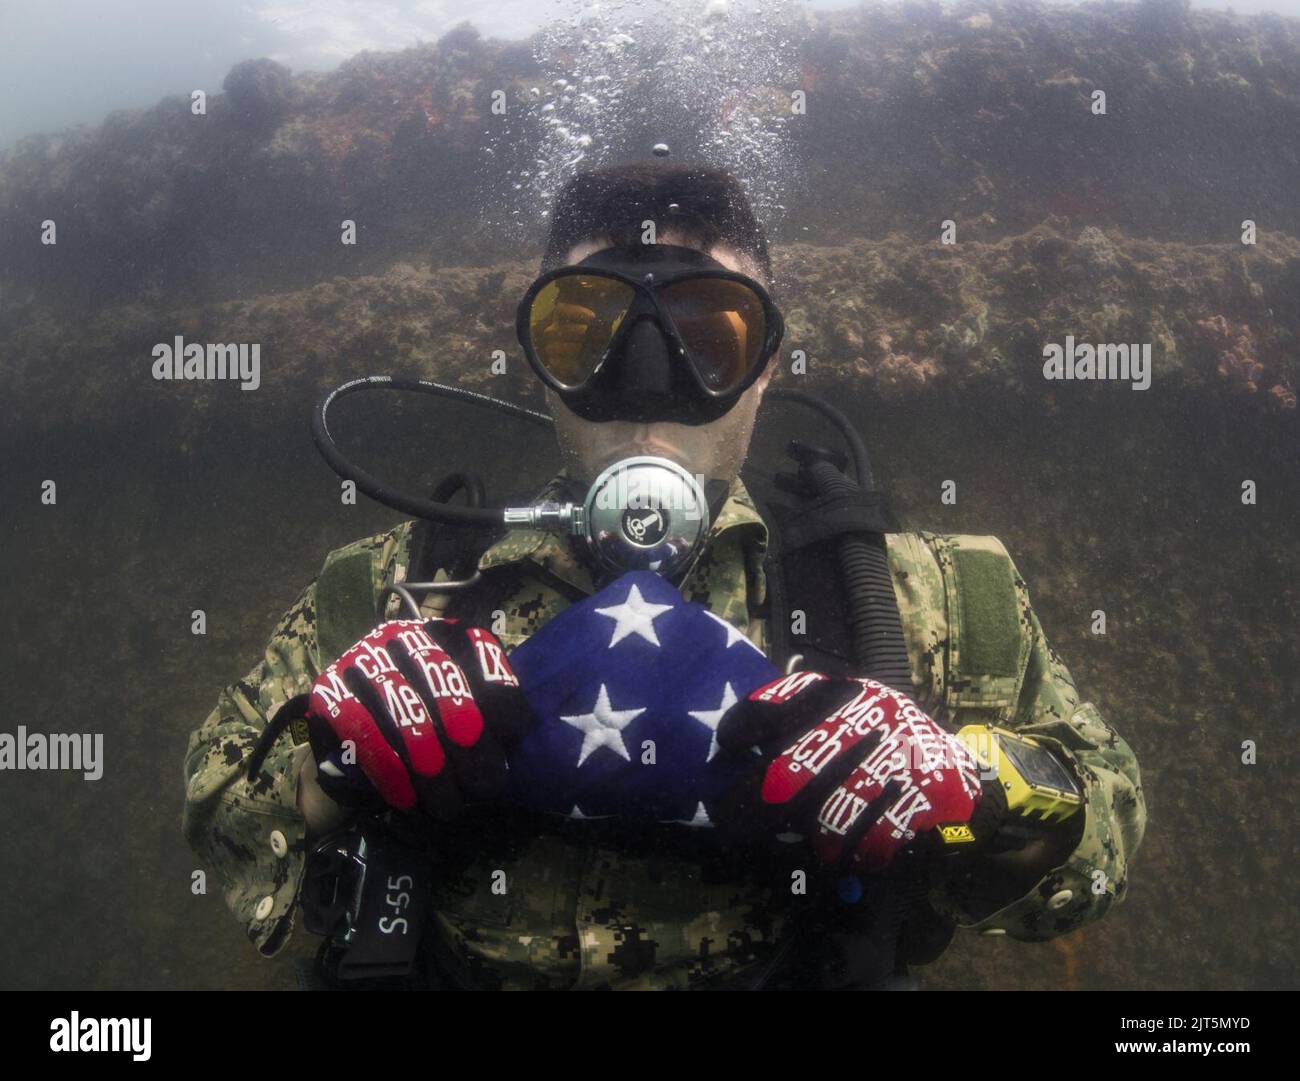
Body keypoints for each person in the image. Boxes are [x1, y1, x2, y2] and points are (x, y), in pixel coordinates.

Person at [183, 162, 1146, 990]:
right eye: (586, 332)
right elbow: (218, 801)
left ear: (764, 364)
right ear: (541, 369)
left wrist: (976, 781)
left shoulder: (923, 598)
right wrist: (327, 773)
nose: (648, 383)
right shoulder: (386, 590)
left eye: (708, 335)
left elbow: (1099, 816)